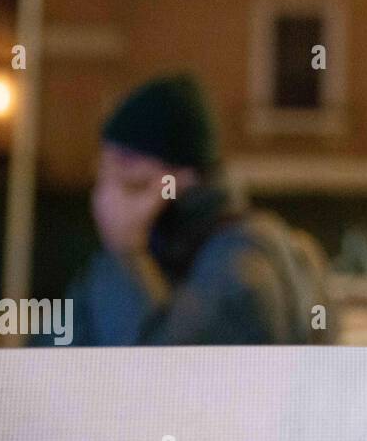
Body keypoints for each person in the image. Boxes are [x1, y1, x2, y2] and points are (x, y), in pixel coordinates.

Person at [31, 73, 332, 346]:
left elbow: (163, 380)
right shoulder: (157, 247)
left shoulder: (245, 261)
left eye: (125, 167)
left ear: (182, 176)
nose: (107, 192)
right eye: (104, 170)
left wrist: (125, 255)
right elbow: (47, 359)